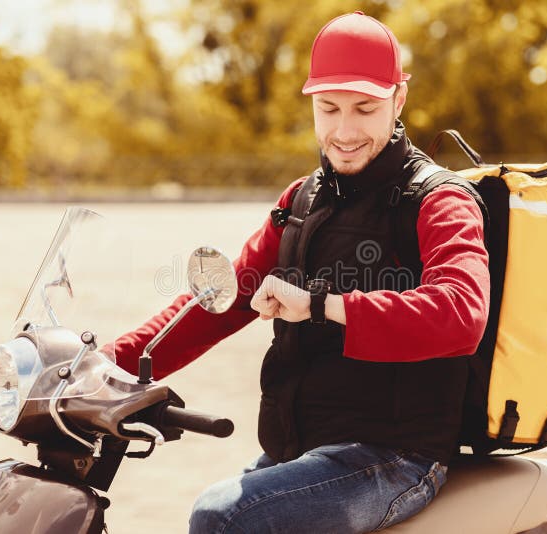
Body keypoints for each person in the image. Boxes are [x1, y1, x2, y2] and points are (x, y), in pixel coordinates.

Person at [114, 11, 489, 533]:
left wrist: (322, 305)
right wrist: (105, 366)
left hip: (397, 456)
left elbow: (461, 313)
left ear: (399, 99)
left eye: (365, 108)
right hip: (305, 449)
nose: (344, 130)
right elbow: (224, 297)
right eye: (329, 108)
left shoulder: (439, 200)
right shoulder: (302, 198)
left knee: (221, 517)